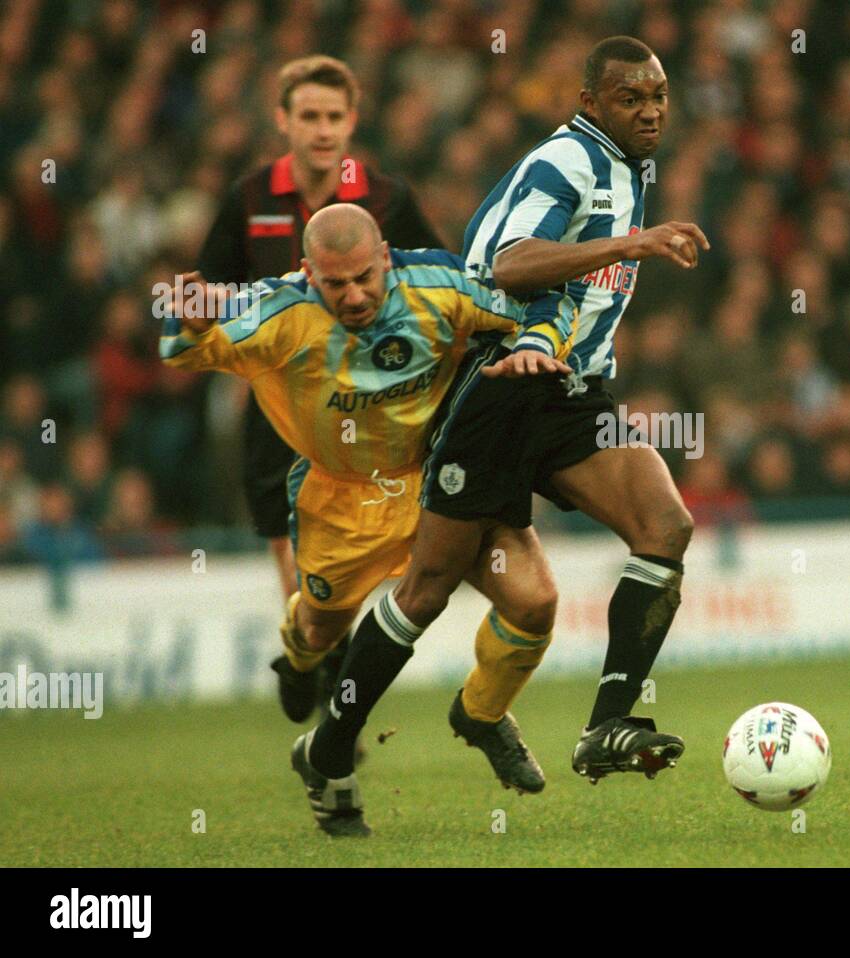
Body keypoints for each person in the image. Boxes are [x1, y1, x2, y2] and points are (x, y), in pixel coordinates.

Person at [304, 36, 710, 790]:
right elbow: (506, 263)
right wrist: (637, 242)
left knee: (666, 527)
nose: (650, 110)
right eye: (632, 98)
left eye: (658, 96)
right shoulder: (570, 161)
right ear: (591, 102)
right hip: (499, 385)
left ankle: (606, 727)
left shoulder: (623, 166)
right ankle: (333, 739)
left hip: (568, 389)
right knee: (428, 587)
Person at [163, 205, 575, 836]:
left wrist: (535, 345)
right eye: (335, 284)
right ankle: (301, 657)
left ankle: (482, 713)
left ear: (386, 257)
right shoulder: (278, 312)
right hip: (339, 503)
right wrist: (186, 317)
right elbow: (183, 346)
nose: (354, 295)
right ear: (308, 274)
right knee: (322, 626)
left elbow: (544, 303)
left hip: (443, 479)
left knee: (535, 603)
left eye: (364, 277)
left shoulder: (438, 285)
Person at [195, 55, 444, 723]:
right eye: (309, 116)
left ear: (353, 122)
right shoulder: (249, 199)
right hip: (278, 400)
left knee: (357, 535)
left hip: (371, 406)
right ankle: (314, 652)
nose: (323, 129)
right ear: (283, 120)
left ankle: (320, 658)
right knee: (285, 533)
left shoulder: (388, 200)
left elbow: (436, 275)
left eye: (335, 116)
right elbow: (204, 289)